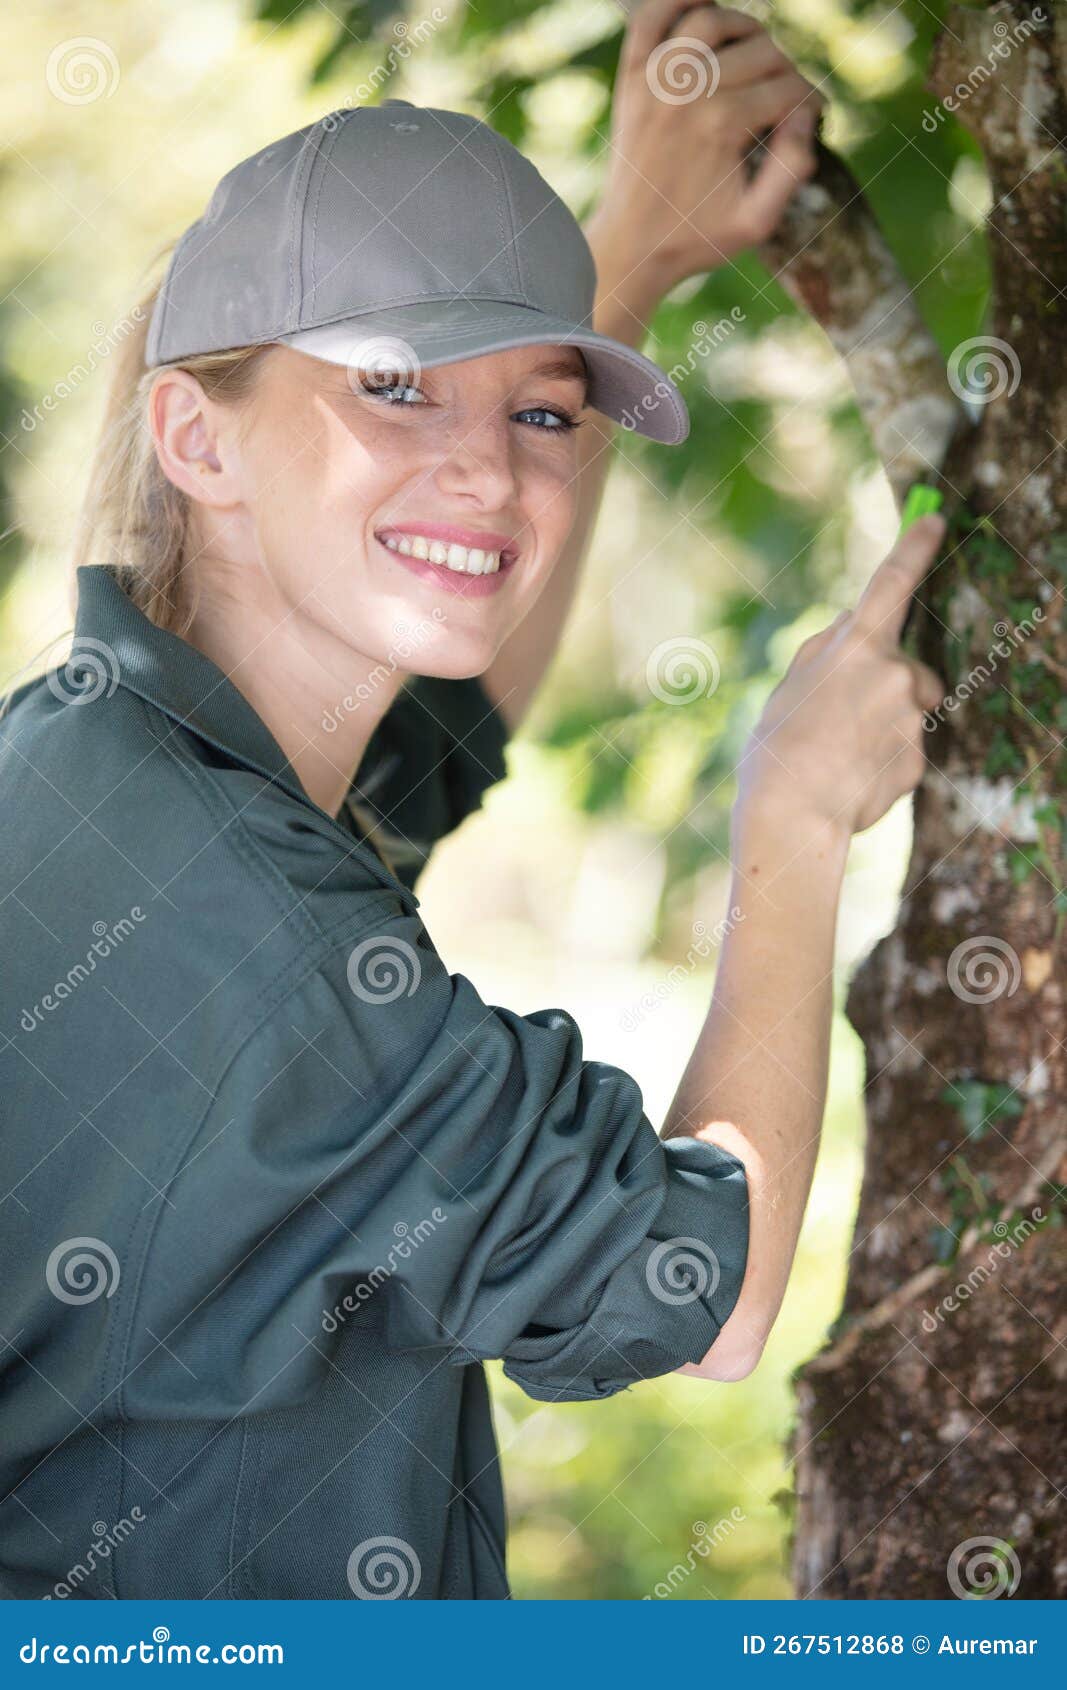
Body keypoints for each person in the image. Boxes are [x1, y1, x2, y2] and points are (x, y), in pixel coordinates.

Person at [0, 3, 945, 1600]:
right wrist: (790, 812)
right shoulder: (232, 914)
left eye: (548, 411)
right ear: (194, 436)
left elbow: (422, 753)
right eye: (394, 387)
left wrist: (625, 262)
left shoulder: (120, 766)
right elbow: (701, 1290)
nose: (498, 476)